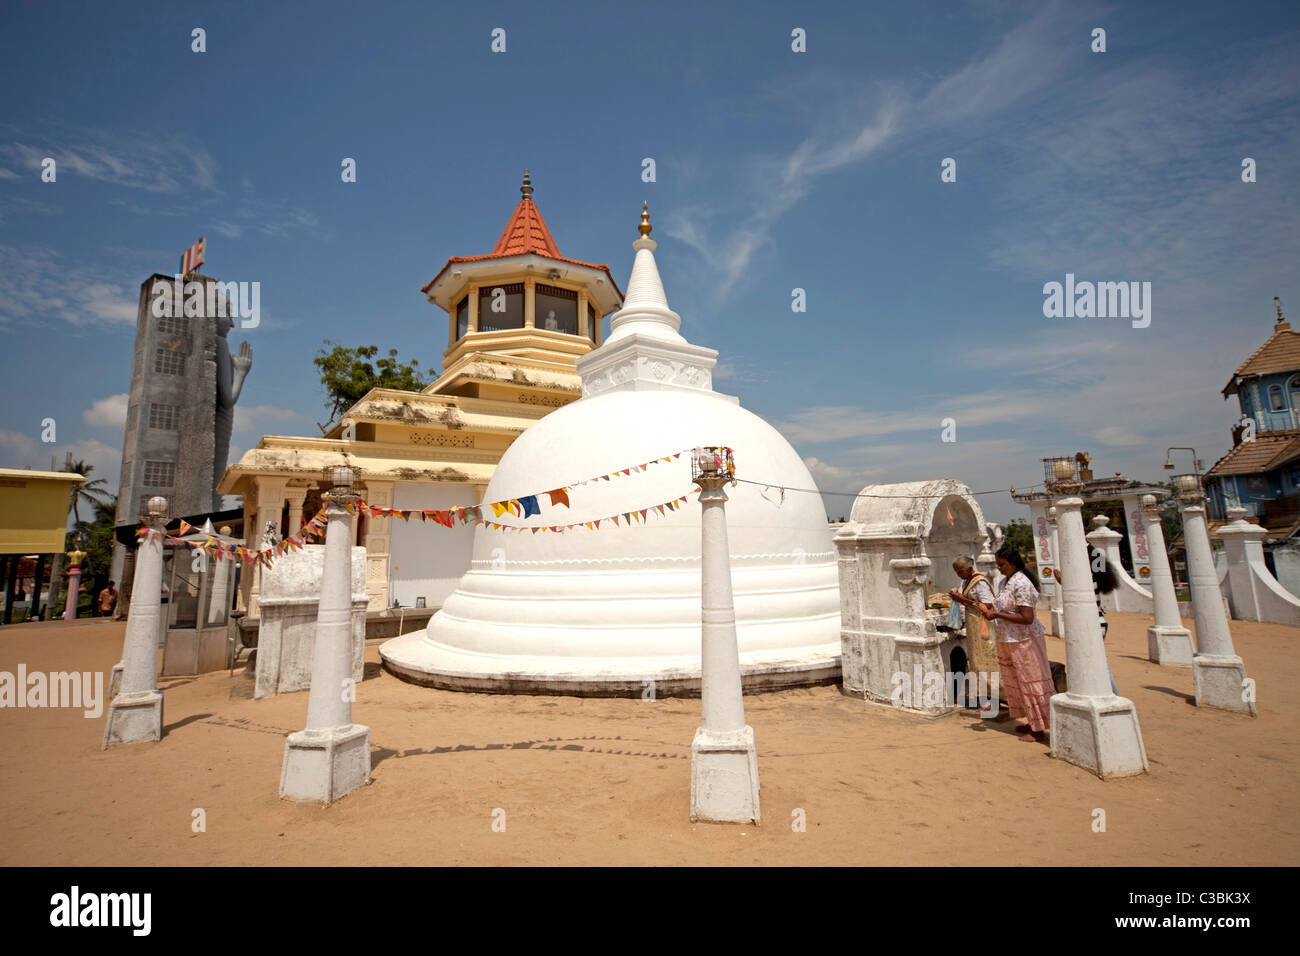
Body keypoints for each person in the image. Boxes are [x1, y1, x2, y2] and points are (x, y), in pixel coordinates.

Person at [977, 545, 1055, 742]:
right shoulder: (1005, 582)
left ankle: (1038, 729)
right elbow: (1000, 605)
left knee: (1031, 681)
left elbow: (1027, 617)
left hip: (1024, 640)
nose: (999, 568)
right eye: (997, 565)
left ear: (1013, 563)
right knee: (1018, 681)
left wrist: (996, 614)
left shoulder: (1022, 583)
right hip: (1008, 639)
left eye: (1002, 564)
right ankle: (1031, 721)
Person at [1052, 544, 1119, 693]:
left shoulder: (1086, 579)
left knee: (1097, 665)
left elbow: (1078, 592)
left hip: (1091, 625)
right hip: (1097, 623)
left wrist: (1064, 581)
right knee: (1099, 664)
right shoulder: (1094, 577)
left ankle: (1113, 695)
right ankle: (1112, 694)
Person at [947, 557, 998, 706]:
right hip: (973, 623)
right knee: (976, 661)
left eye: (960, 571)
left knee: (986, 660)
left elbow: (989, 604)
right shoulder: (966, 581)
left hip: (983, 623)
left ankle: (992, 698)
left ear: (970, 568)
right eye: (956, 572)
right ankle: (982, 697)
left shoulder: (979, 582)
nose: (958, 575)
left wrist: (964, 599)